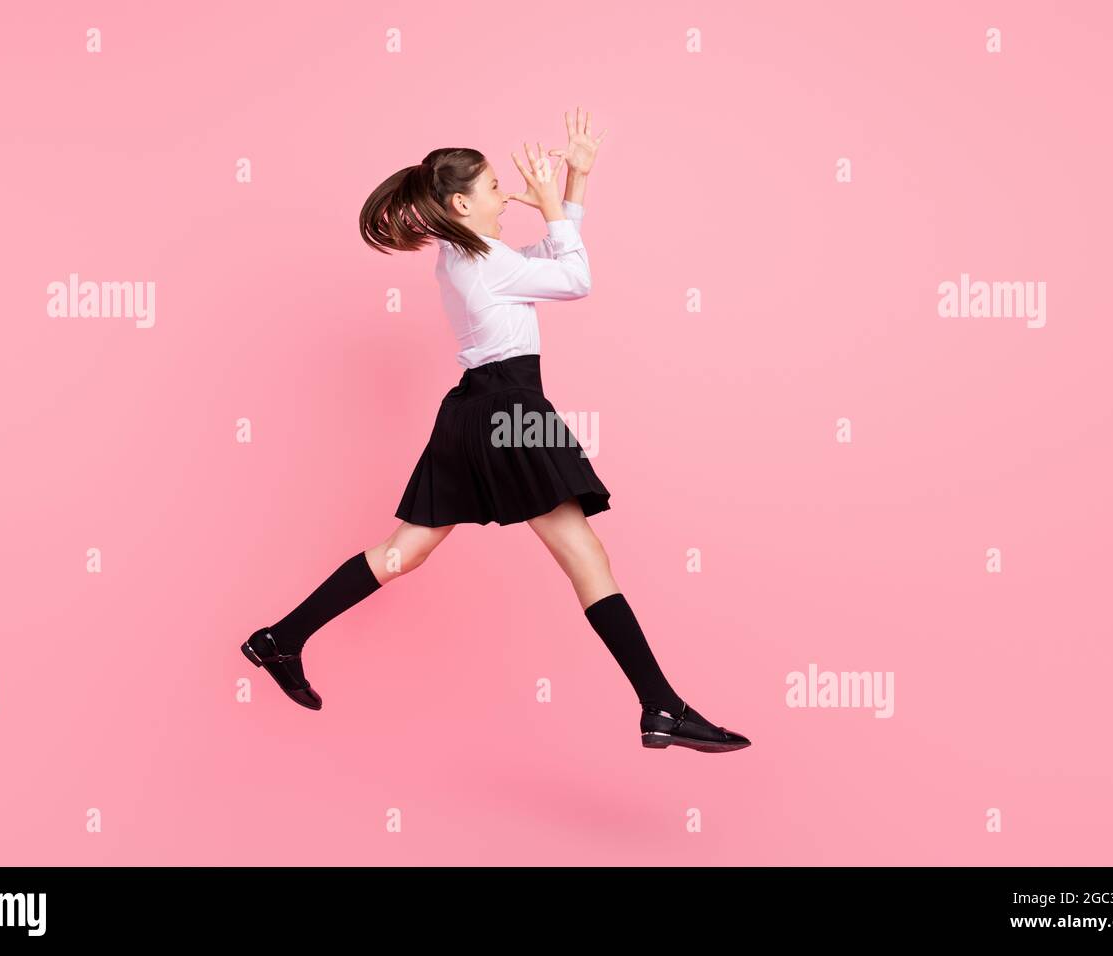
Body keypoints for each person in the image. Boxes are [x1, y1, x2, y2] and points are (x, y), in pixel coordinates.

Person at [240, 108, 749, 753]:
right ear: (460, 201)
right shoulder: (485, 263)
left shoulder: (466, 257)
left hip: (470, 414)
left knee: (408, 549)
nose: (505, 196)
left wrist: (573, 188)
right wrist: (556, 205)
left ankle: (279, 640)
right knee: (584, 554)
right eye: (491, 189)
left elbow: (540, 264)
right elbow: (575, 278)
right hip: (513, 410)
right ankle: (661, 707)